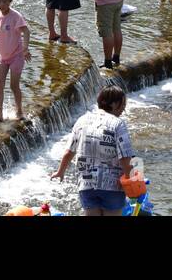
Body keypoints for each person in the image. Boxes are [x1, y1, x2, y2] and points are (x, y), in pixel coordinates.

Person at [51, 86, 135, 215]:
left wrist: (60, 171)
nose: (124, 108)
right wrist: (130, 181)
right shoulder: (118, 124)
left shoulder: (82, 120)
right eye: (123, 104)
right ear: (114, 104)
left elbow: (69, 150)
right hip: (112, 186)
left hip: (86, 184)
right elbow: (125, 157)